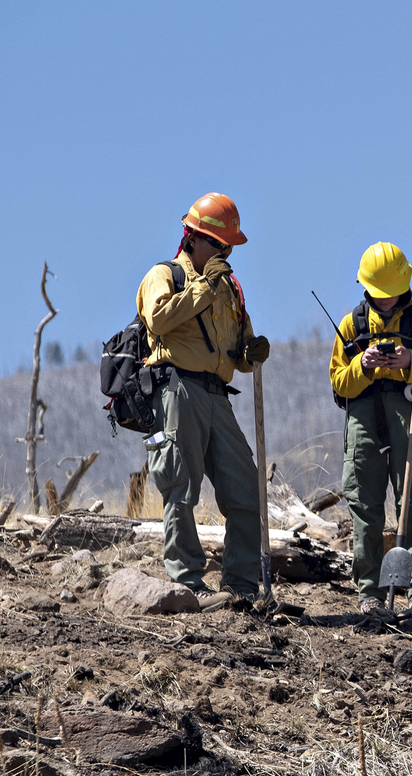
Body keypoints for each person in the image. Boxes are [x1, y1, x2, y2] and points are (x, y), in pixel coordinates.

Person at [137, 192, 270, 611]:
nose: (224, 253)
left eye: (227, 247)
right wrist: (206, 285)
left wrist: (251, 354)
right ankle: (189, 583)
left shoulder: (229, 290)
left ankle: (242, 585)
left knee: (246, 488)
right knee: (181, 486)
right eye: (217, 243)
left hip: (217, 395)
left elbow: (237, 348)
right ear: (192, 237)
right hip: (178, 389)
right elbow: (157, 319)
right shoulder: (166, 274)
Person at [329, 242, 412, 614]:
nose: (384, 301)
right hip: (363, 417)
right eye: (378, 294)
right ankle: (368, 592)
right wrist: (363, 365)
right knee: (364, 506)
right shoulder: (352, 324)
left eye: (391, 294)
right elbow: (339, 383)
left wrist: (410, 360)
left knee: (410, 502)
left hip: (408, 413)